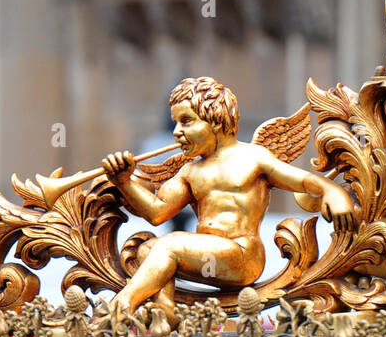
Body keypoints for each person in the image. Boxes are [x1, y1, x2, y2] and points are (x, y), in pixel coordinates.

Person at [102, 75, 356, 317]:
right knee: (147, 250)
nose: (177, 131)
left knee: (168, 246)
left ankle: (121, 306)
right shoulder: (189, 171)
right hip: (207, 259)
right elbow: (157, 212)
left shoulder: (253, 158)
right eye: (176, 123)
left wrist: (332, 191)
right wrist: (123, 182)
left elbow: (303, 180)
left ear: (214, 120)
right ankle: (166, 311)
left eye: (186, 121)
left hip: (242, 259)